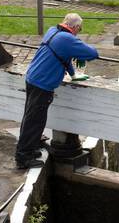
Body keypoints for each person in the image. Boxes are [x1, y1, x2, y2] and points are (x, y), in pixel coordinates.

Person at [16, 13, 98, 169]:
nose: (78, 33)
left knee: (30, 117)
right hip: (43, 84)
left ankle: (29, 149)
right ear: (75, 27)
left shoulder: (53, 31)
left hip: (33, 78)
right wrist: (79, 49)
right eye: (79, 30)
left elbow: (63, 57)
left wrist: (73, 74)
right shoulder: (67, 39)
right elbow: (93, 53)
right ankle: (23, 157)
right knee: (34, 121)